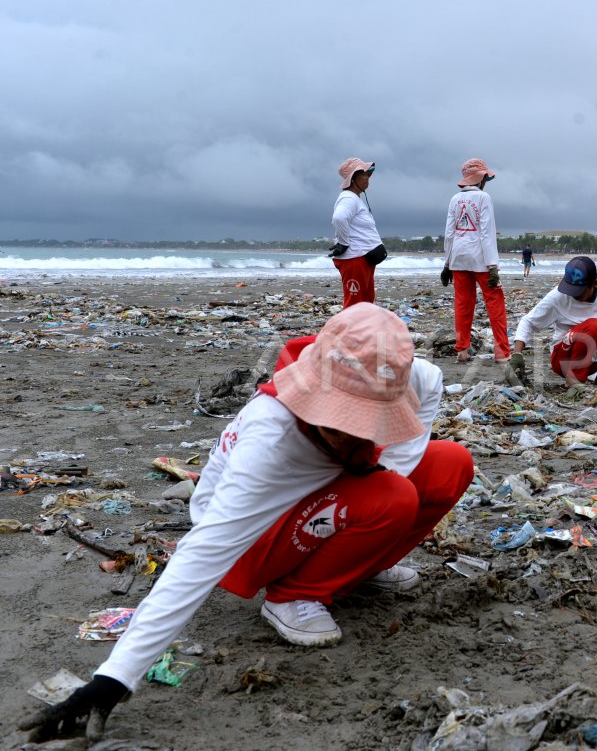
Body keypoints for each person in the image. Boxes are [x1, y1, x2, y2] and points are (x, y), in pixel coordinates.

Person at [20, 303, 473, 744]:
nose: (355, 433)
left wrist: (384, 464)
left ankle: (357, 562)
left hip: (325, 505)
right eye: (342, 422)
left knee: (448, 463)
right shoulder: (270, 440)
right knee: (391, 496)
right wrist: (113, 679)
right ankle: (292, 597)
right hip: (250, 541)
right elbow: (203, 553)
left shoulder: (405, 374)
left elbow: (428, 389)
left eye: (367, 421)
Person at [507, 256, 597, 388]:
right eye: (570, 288)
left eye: (579, 290)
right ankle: (574, 380)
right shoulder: (558, 296)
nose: (573, 294)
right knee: (593, 325)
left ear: (594, 284)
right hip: (564, 359)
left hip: (595, 356)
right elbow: (528, 321)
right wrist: (517, 354)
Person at [444, 158, 509, 363]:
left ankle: (462, 350)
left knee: (463, 304)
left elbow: (449, 233)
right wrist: (493, 266)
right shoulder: (483, 198)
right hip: (480, 258)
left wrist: (447, 263)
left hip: (458, 257)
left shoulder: (455, 199)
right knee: (495, 302)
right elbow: (486, 233)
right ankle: (502, 352)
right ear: (480, 178)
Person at [330, 158, 388, 308]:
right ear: (354, 177)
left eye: (370, 173)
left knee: (366, 303)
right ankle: (351, 332)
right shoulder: (348, 198)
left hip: (363, 259)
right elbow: (339, 217)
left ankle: (364, 331)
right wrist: (343, 243)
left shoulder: (355, 199)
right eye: (365, 174)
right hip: (354, 260)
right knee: (355, 306)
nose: (368, 177)